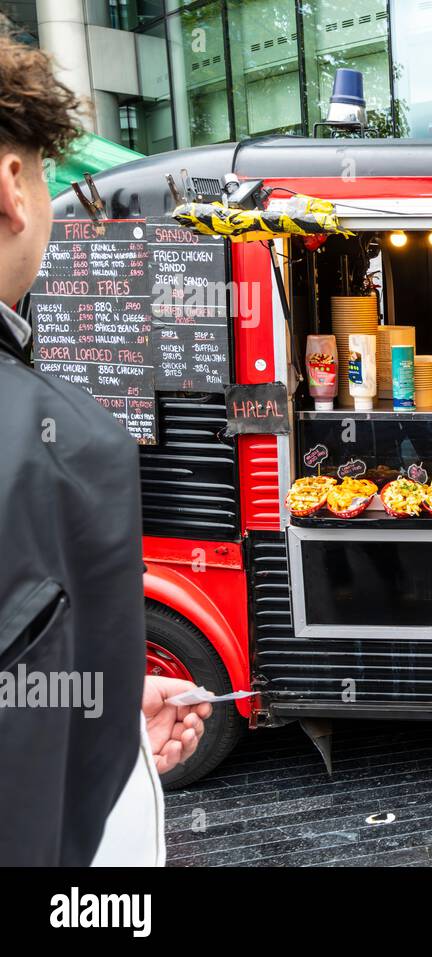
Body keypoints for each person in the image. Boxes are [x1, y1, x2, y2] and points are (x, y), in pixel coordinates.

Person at [0, 30, 209, 866]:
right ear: (11, 186)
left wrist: (101, 698)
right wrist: (99, 711)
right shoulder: (68, 445)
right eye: (49, 174)